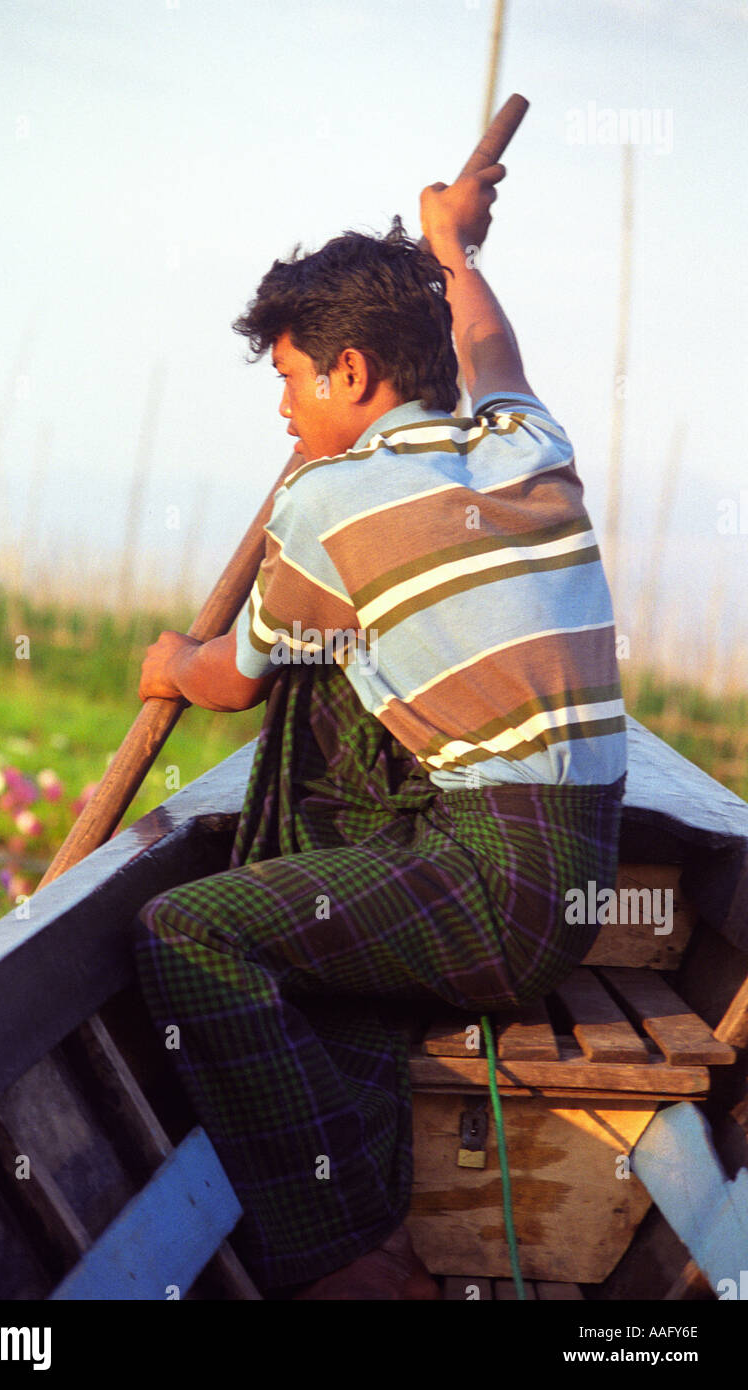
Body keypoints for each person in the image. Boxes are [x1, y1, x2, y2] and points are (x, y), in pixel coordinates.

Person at [133, 163, 627, 1299]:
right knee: (319, 922)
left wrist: (166, 659)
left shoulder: (324, 501)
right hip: (572, 871)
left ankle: (342, 1254)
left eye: (293, 378)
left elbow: (236, 680)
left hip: (498, 889)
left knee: (185, 935)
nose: (282, 409)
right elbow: (490, 347)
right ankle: (382, 1224)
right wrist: (453, 245)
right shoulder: (521, 441)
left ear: (349, 370)